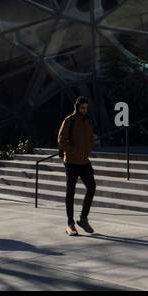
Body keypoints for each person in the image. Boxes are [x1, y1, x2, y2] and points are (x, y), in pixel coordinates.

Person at [57, 96, 96, 235]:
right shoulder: (70, 120)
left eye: (86, 108)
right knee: (70, 193)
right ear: (77, 108)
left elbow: (90, 138)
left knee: (92, 187)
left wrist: (89, 147)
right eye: (82, 108)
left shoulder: (88, 121)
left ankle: (83, 219)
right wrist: (72, 150)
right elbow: (61, 139)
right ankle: (70, 224)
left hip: (84, 161)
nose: (85, 110)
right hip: (72, 162)